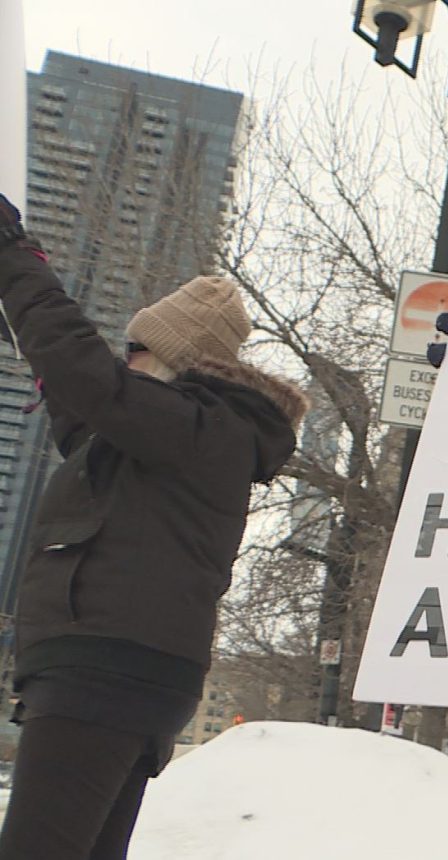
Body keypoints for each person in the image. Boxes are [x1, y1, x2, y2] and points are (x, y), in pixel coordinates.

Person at [0, 194, 307, 860]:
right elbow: (80, 405)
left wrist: (14, 257)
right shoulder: (190, 438)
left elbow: (85, 374)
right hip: (129, 676)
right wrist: (31, 336)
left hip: (100, 675)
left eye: (134, 350)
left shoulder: (197, 428)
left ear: (173, 362)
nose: (124, 360)